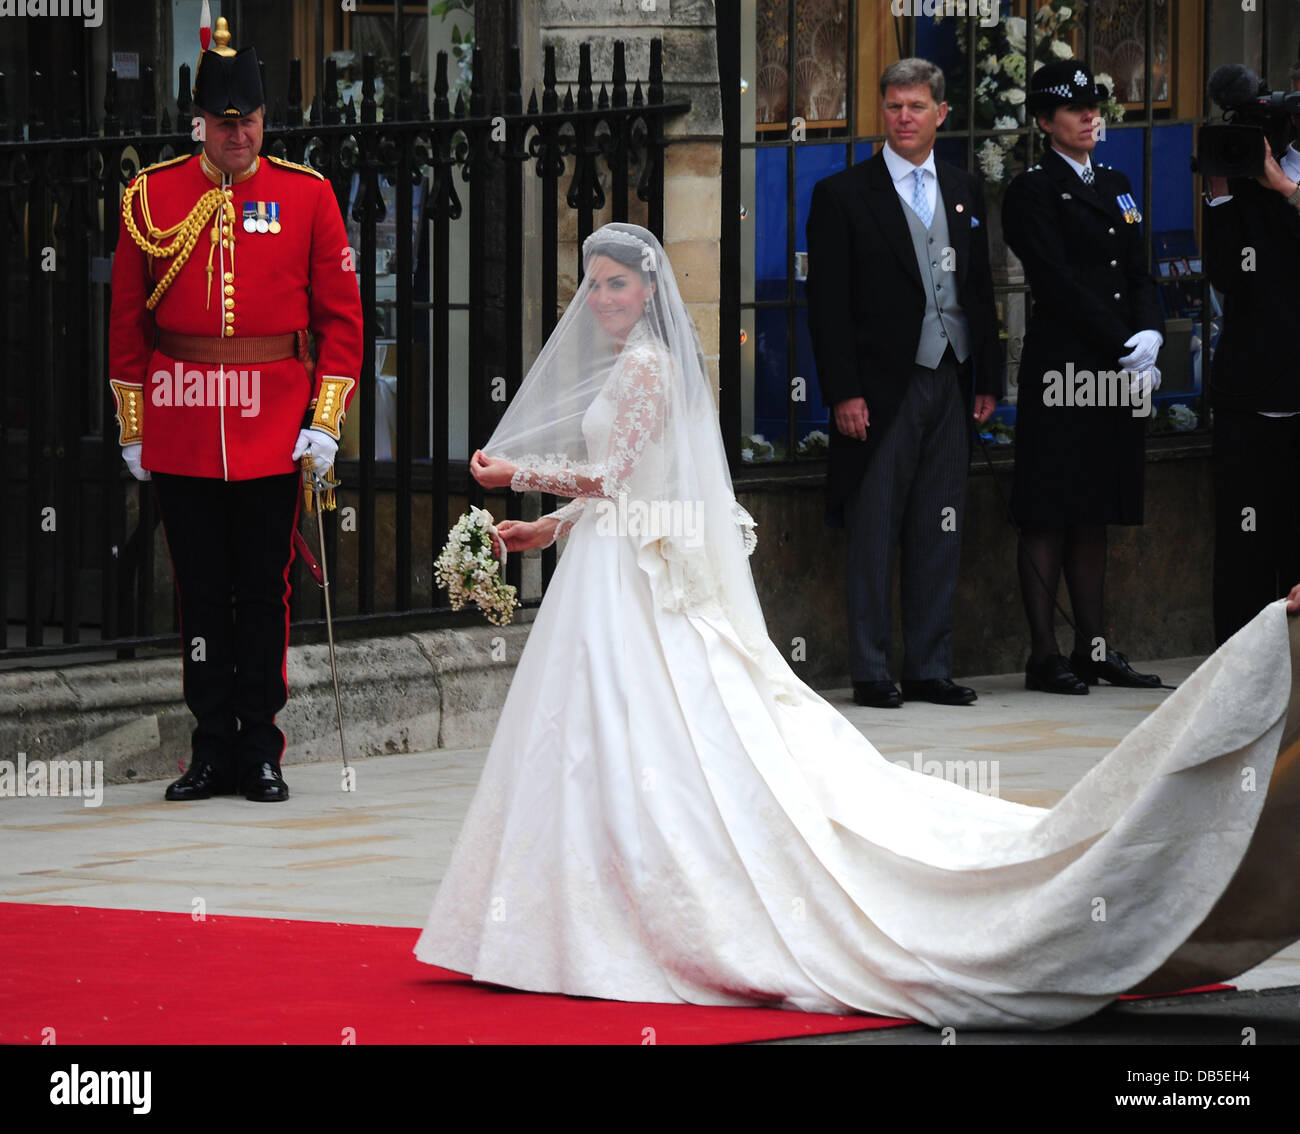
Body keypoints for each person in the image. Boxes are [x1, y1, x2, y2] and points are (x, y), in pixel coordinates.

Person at [413, 221, 1300, 1030]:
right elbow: (633, 485)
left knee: (643, 729)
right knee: (588, 736)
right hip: (612, 562)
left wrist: (516, 472)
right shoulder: (629, 369)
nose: (601, 299)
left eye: (616, 285)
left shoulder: (648, 366)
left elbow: (610, 473)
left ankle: (612, 911)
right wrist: (543, 527)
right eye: (591, 285)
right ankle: (563, 911)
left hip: (636, 579)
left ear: (648, 292)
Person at [108, 29, 363, 802]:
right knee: (201, 592)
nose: (239, 133)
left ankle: (261, 746)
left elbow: (342, 323)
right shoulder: (151, 197)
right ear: (200, 121)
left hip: (273, 424)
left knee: (264, 589)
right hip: (183, 423)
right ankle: (210, 745)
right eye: (224, 122)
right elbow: (127, 321)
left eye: (249, 118)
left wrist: (324, 418)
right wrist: (133, 420)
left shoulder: (307, 194)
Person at [805, 58, 1000, 710]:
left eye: (916, 106)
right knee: (874, 529)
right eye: (893, 107)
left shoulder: (964, 186)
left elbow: (979, 290)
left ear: (941, 114)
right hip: (880, 389)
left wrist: (987, 378)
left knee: (938, 527)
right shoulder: (842, 195)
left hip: (950, 378)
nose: (904, 117)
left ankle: (929, 667)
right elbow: (827, 307)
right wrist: (842, 392)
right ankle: (871, 670)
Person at [1001, 61, 1165, 695]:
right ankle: (1045, 655)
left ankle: (1092, 648)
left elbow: (1140, 271)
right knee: (1050, 508)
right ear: (1046, 122)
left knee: (1094, 509)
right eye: (1074, 109)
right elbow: (1057, 281)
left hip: (1120, 367)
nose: (1089, 115)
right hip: (1066, 367)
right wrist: (1122, 340)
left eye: (1094, 105)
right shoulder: (1033, 189)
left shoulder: (1118, 182)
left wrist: (1151, 332)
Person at [1202, 61, 1300, 646]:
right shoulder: (1232, 186)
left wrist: (1284, 188)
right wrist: (1220, 193)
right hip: (1249, 389)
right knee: (1243, 538)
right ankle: (1235, 667)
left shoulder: (1289, 183)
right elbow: (1226, 276)